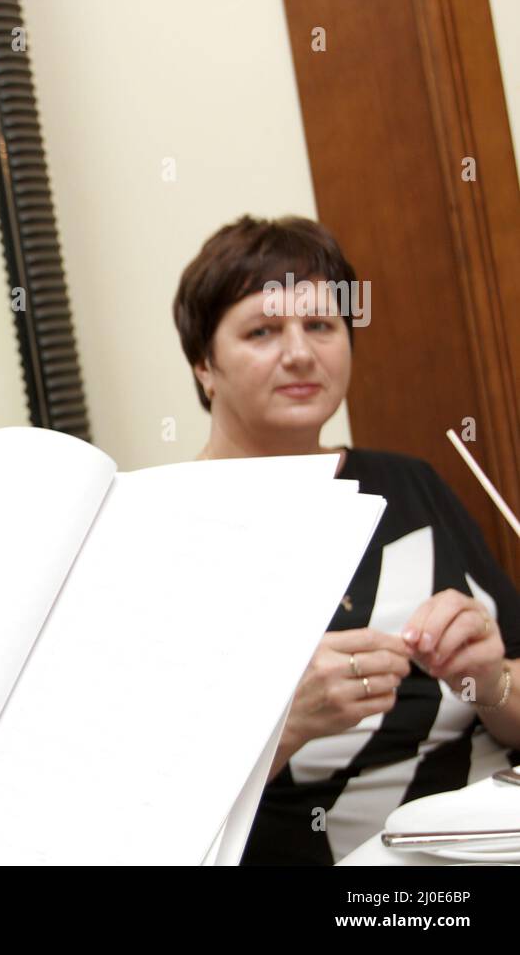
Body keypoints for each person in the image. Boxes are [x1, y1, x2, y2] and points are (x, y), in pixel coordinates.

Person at [173, 214, 520, 864]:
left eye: (322, 326)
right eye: (262, 331)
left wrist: (491, 679)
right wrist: (285, 727)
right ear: (204, 364)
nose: (300, 353)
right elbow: (145, 806)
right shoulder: (169, 529)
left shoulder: (412, 485)